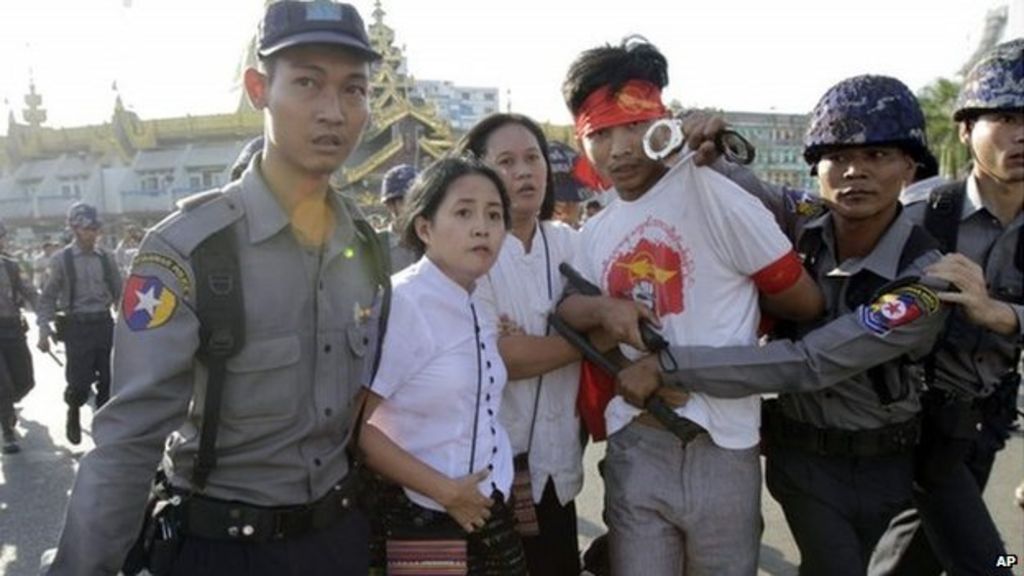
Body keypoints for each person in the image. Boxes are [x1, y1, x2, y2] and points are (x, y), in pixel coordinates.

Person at [46, 2, 386, 574]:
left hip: (339, 542)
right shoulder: (189, 249)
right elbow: (129, 440)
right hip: (225, 551)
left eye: (354, 89)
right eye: (307, 82)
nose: (334, 111)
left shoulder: (366, 245)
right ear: (259, 89)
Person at [623, 74, 952, 576]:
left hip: (890, 469)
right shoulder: (805, 217)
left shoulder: (925, 280)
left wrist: (668, 366)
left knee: (981, 562)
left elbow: (809, 364)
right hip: (803, 462)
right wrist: (700, 139)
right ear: (816, 168)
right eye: (837, 157)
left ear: (910, 166)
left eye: (877, 155)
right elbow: (741, 186)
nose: (855, 171)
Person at [555, 37, 823, 576]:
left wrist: (734, 324)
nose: (618, 149)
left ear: (663, 120)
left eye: (633, 125)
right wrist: (606, 314)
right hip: (636, 444)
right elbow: (570, 316)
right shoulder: (594, 233)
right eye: (599, 134)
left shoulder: (717, 195)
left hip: (722, 444)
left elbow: (804, 301)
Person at [867, 38, 1023, 576]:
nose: (1022, 134)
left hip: (984, 427)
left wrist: (1004, 315)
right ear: (965, 129)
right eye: (1006, 117)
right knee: (991, 562)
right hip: (915, 427)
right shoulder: (917, 215)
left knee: (912, 561)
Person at [360, 156, 528, 575]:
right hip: (425, 515)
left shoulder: (474, 301)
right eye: (464, 212)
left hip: (485, 509)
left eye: (494, 215)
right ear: (424, 228)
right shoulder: (405, 304)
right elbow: (356, 429)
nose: (482, 227)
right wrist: (446, 492)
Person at [456, 113, 588, 575]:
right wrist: (583, 341)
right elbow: (503, 357)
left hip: (557, 466)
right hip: (486, 475)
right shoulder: (470, 251)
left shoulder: (572, 245)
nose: (524, 172)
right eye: (507, 161)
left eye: (533, 158)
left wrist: (536, 348)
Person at [36, 202, 122, 446]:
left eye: (95, 228)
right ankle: (73, 410)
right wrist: (43, 330)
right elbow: (48, 297)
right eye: (86, 229)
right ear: (74, 229)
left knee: (109, 379)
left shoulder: (106, 258)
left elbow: (120, 293)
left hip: (104, 323)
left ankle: (104, 428)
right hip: (77, 326)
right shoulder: (61, 259)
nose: (92, 233)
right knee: (79, 383)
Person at [0, 220, 38, 455]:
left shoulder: (12, 266)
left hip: (13, 328)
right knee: (2, 384)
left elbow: (30, 292)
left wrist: (45, 315)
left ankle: (6, 405)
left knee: (25, 380)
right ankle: (7, 431)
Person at [378, 163, 419, 272]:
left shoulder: (434, 242)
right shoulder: (377, 246)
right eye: (408, 201)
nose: (415, 207)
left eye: (418, 200)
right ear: (390, 205)